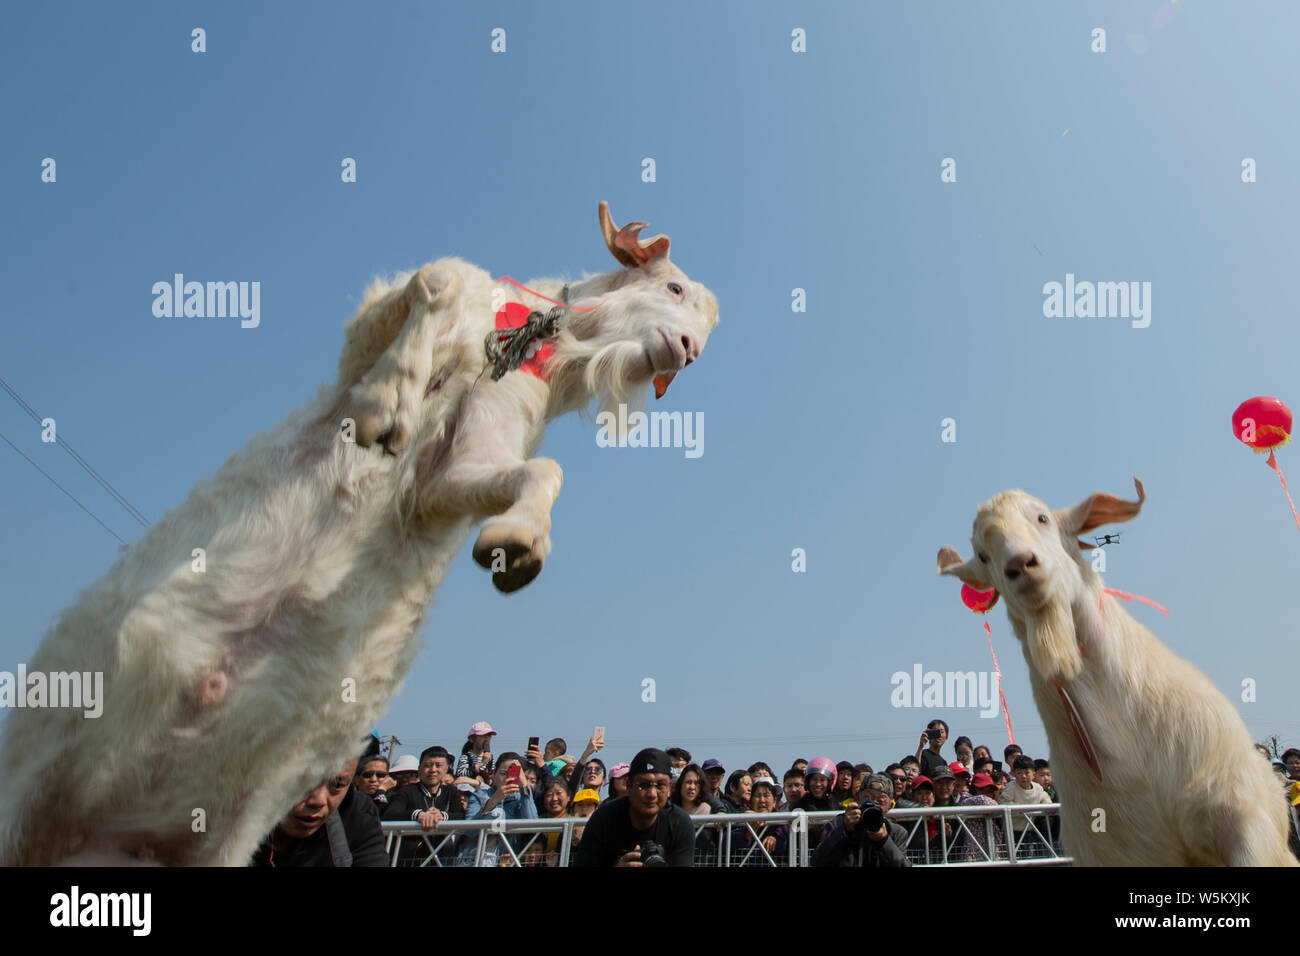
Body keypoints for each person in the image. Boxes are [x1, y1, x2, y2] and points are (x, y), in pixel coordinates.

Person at [251, 737, 387, 867]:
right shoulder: (232, 813)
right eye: (302, 782)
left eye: (338, 785)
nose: (318, 801)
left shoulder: (357, 816)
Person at [572, 748, 695, 866]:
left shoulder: (679, 823)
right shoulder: (603, 820)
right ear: (629, 786)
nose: (652, 794)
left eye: (660, 786)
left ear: (669, 788)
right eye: (643, 785)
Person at [383, 745, 464, 866]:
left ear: (446, 769)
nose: (433, 770)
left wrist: (442, 816)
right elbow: (390, 815)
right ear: (419, 769)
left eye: (438, 765)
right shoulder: (407, 791)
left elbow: (461, 816)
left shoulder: (451, 792)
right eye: (427, 765)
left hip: (442, 858)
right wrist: (418, 815)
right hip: (410, 859)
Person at [456, 752, 538, 866]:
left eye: (513, 774)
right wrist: (494, 801)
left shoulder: (521, 799)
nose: (507, 778)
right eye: (503, 773)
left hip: (505, 862)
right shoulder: (479, 795)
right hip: (474, 862)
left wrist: (524, 785)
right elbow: (470, 831)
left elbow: (532, 825)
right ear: (494, 774)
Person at [811, 774, 909, 868]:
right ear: (858, 798)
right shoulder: (840, 822)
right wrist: (845, 830)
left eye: (880, 801)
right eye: (867, 798)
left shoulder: (897, 832)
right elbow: (817, 861)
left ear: (890, 806)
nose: (874, 803)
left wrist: (883, 841)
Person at [999, 755, 1052, 858]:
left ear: (1033, 774)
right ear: (1014, 774)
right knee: (1012, 858)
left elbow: (1046, 799)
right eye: (1019, 773)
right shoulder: (1011, 787)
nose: (1023, 776)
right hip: (1012, 832)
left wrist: (1047, 808)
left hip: (1029, 831)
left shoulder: (1037, 788)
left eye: (1027, 773)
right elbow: (1002, 802)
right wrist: (1020, 808)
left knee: (1029, 857)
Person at [732, 776, 788, 865]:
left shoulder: (782, 822)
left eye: (766, 795)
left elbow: (785, 840)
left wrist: (775, 837)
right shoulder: (742, 817)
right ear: (750, 801)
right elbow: (726, 841)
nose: (762, 800)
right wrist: (747, 834)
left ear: (774, 801)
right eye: (757, 796)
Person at [953, 772, 1005, 862]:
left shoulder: (994, 810)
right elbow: (983, 800)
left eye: (990, 791)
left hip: (992, 856)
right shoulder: (966, 801)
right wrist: (1001, 807)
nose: (986, 794)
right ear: (973, 790)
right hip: (972, 858)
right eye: (982, 790)